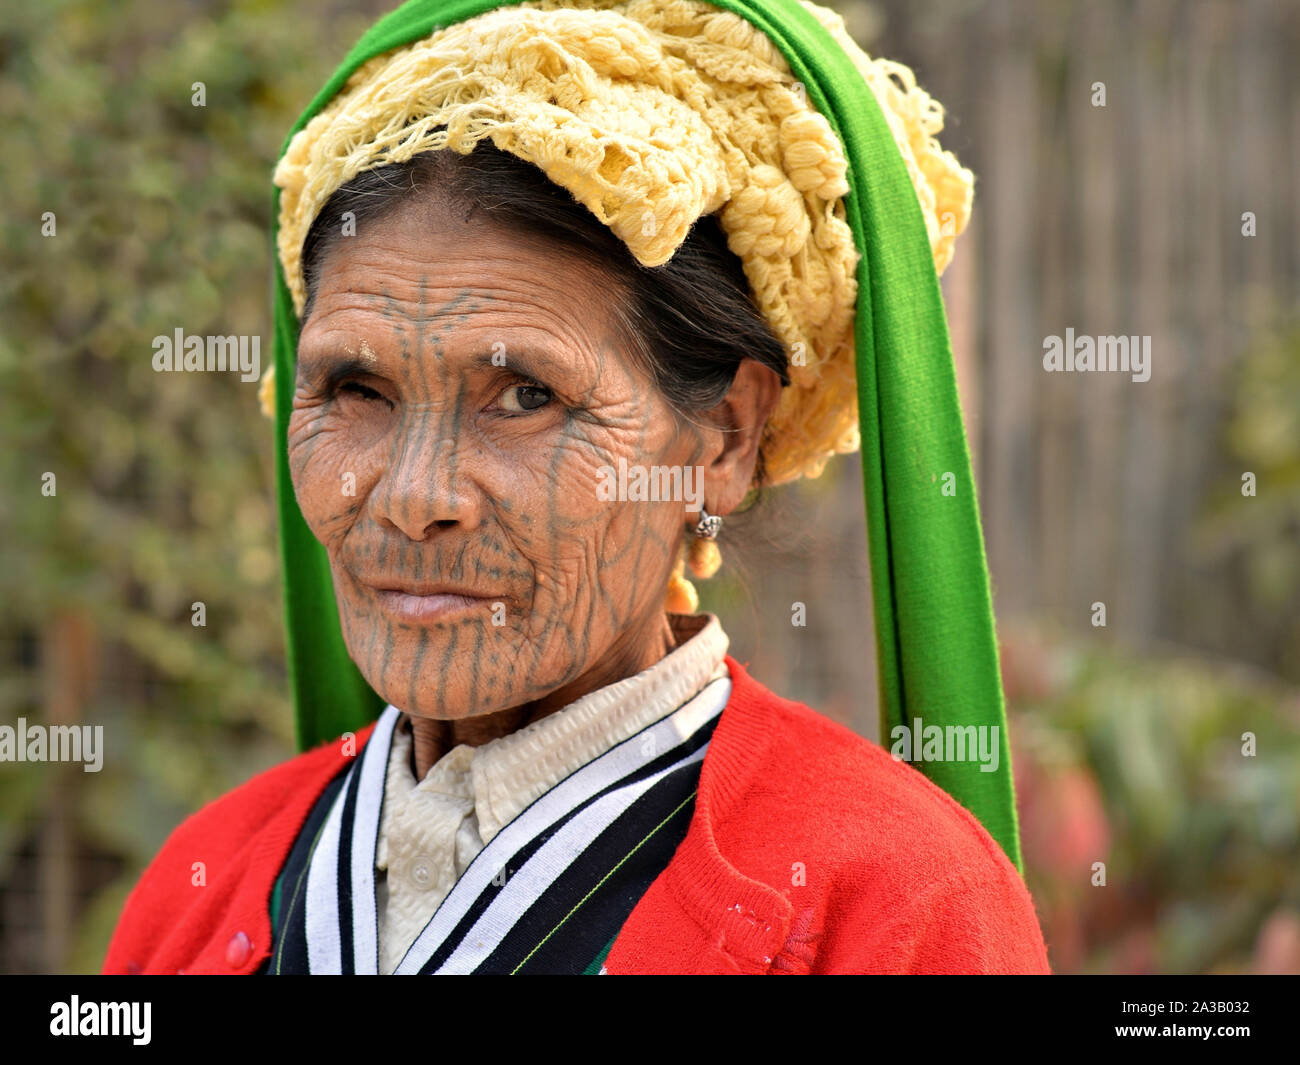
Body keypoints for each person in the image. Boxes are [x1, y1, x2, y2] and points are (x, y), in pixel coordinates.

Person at [103, 0, 1051, 974]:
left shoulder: (887, 904)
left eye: (522, 395)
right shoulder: (210, 882)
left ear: (722, 438)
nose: (411, 497)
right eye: (356, 389)